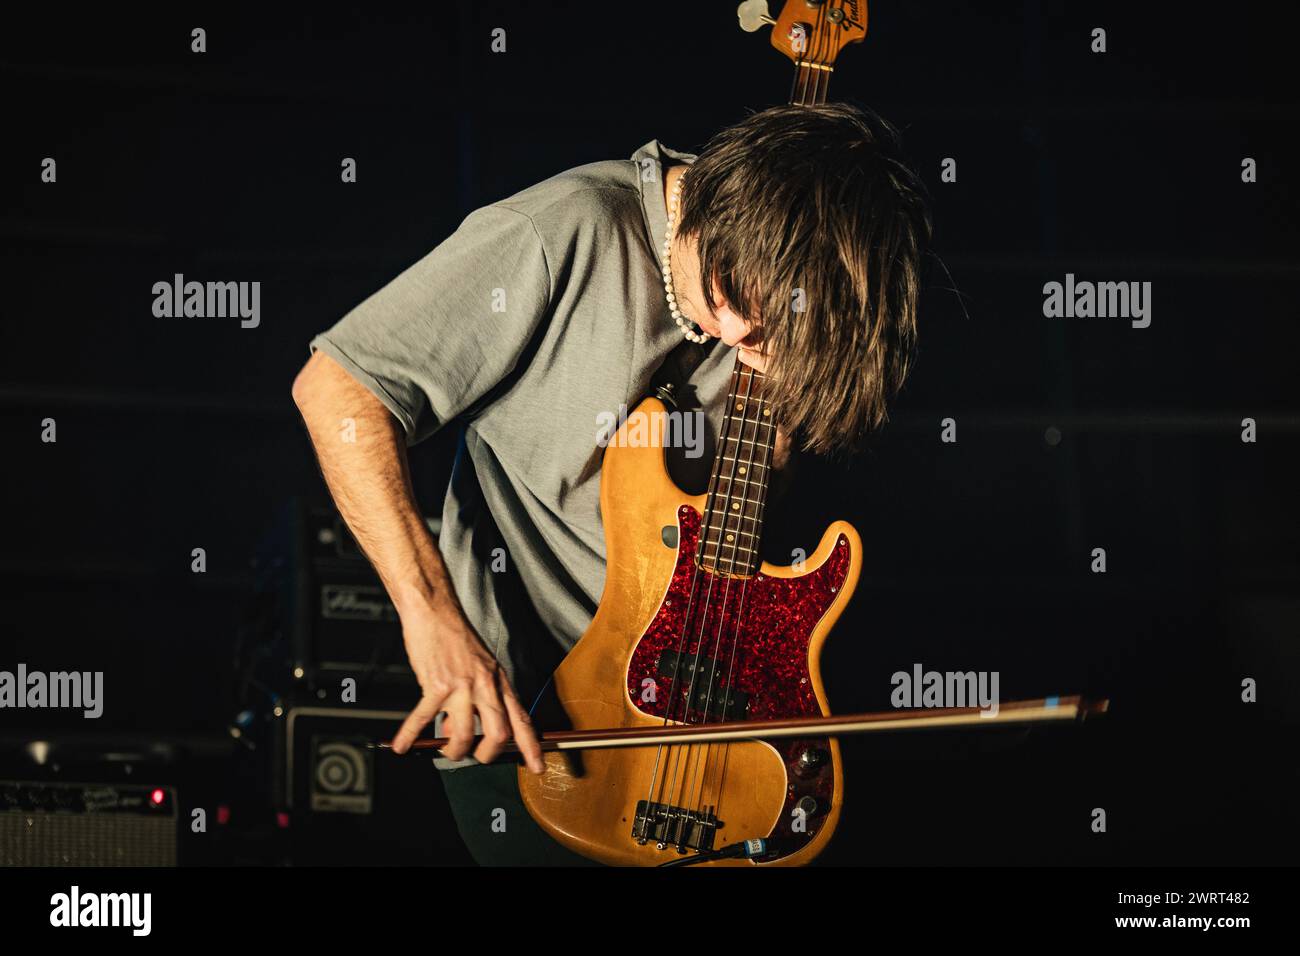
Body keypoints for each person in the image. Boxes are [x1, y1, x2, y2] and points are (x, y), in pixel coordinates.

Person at [291, 102, 931, 864]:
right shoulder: (563, 230)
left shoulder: (787, 299)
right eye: (736, 309)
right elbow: (338, 389)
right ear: (718, 221)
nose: (737, 343)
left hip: (713, 734)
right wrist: (430, 618)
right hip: (543, 730)